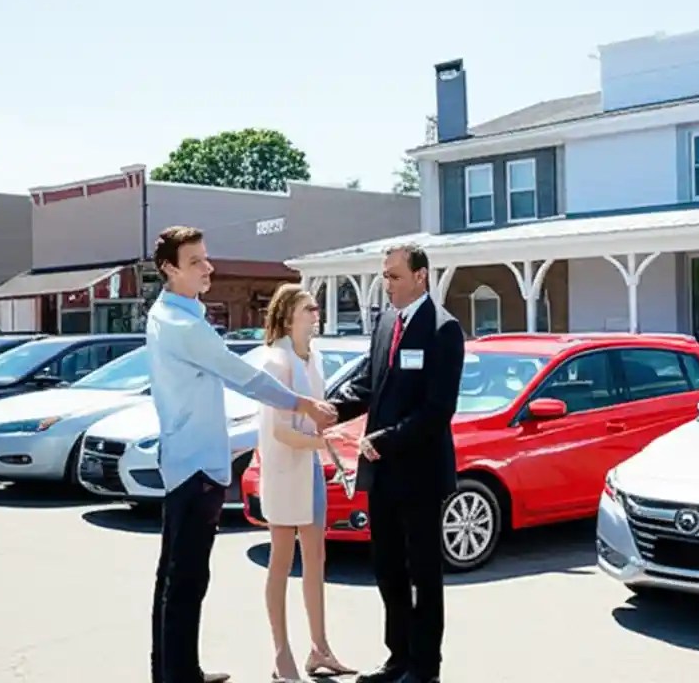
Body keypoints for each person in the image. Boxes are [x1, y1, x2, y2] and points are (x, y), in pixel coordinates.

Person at [146, 225, 336, 683]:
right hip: (196, 467)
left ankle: (177, 670)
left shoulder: (172, 315)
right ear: (170, 269)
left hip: (186, 462)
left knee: (175, 578)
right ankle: (177, 675)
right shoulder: (183, 325)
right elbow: (242, 376)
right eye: (195, 261)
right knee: (186, 580)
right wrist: (303, 403)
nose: (207, 267)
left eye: (206, 257)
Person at [328, 243, 466, 683]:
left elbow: (437, 409)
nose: (386, 284)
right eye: (384, 275)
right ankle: (398, 658)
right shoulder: (386, 322)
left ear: (421, 276)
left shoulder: (443, 329)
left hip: (420, 475)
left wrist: (384, 438)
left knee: (423, 574)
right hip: (383, 473)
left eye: (394, 276)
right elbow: (371, 384)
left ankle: (425, 668)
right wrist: (329, 410)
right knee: (387, 568)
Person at [256, 284, 355, 682]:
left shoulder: (313, 358)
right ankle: (282, 655)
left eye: (316, 307)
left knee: (316, 557)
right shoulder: (276, 362)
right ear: (288, 315)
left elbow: (314, 417)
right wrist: (328, 441)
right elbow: (280, 431)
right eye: (309, 308)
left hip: (309, 468)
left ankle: (320, 649)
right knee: (281, 561)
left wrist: (327, 432)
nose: (317, 313)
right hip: (282, 473)